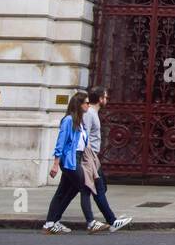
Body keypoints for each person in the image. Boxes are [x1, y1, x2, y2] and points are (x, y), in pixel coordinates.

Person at [41, 91, 99, 234]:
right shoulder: (68, 120)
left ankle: (51, 222)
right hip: (69, 161)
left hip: (77, 160)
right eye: (86, 103)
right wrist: (55, 164)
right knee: (85, 187)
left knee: (65, 192)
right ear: (79, 105)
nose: (88, 105)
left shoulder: (80, 122)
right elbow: (60, 143)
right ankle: (91, 223)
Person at [84, 85, 132, 233]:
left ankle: (52, 220)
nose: (107, 99)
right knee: (98, 189)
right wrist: (89, 159)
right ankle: (112, 221)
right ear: (100, 99)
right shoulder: (89, 114)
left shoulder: (93, 113)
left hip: (92, 158)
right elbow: (83, 137)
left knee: (98, 187)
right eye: (105, 97)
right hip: (89, 158)